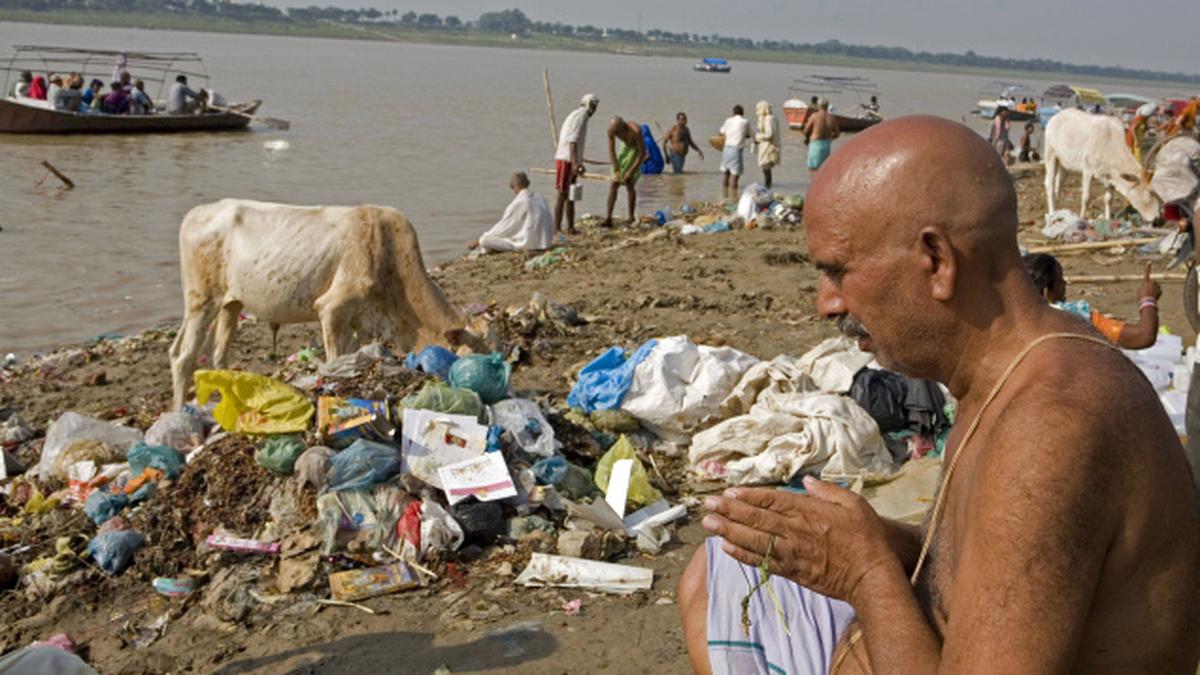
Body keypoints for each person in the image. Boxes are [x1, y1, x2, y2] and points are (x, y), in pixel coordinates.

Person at [680, 116, 1200, 674]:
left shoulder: (1049, 424)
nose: (826, 304)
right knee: (716, 572)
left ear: (936, 261)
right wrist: (860, 541)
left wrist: (864, 571)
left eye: (837, 273)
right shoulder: (1010, 371)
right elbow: (979, 566)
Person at [1024, 253, 1160, 348]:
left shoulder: (1010, 320)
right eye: (1060, 280)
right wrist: (1147, 298)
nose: (1065, 284)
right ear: (1047, 292)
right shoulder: (1075, 317)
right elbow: (1143, 336)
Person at [469, 172, 554, 253]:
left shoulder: (520, 201)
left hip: (530, 245)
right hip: (547, 242)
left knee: (484, 240)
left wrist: (479, 240)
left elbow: (504, 227)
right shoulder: (540, 197)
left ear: (513, 186)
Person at [553, 93, 600, 234]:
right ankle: (557, 228)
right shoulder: (581, 116)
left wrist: (578, 160)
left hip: (571, 159)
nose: (594, 110)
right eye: (593, 106)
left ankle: (571, 227)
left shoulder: (579, 115)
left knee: (571, 194)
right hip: (566, 159)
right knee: (562, 194)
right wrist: (574, 163)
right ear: (588, 105)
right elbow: (572, 141)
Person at [601, 116, 649, 228]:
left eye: (619, 133)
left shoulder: (636, 130)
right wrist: (616, 169)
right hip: (625, 148)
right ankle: (608, 217)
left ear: (624, 128)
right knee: (614, 183)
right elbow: (611, 151)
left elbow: (642, 153)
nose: (617, 136)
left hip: (636, 150)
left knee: (629, 182)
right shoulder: (611, 131)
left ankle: (631, 216)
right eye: (615, 134)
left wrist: (631, 171)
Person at [719, 104, 751, 194]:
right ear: (743, 113)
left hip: (726, 149)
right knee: (735, 176)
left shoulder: (728, 120)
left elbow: (721, 132)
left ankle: (724, 194)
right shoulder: (745, 121)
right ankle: (734, 196)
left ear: (733, 113)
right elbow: (749, 134)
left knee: (726, 173)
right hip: (736, 150)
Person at [803, 99, 839, 172]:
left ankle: (814, 183)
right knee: (824, 169)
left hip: (815, 144)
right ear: (827, 106)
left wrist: (806, 139)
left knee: (813, 169)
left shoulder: (814, 116)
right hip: (826, 144)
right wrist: (831, 139)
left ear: (819, 106)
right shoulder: (832, 118)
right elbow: (837, 133)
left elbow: (806, 130)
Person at [754, 100, 782, 189]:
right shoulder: (772, 117)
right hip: (769, 145)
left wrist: (758, 137)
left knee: (765, 166)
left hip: (768, 146)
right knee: (766, 167)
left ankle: (767, 186)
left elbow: (769, 134)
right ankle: (768, 186)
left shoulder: (768, 119)